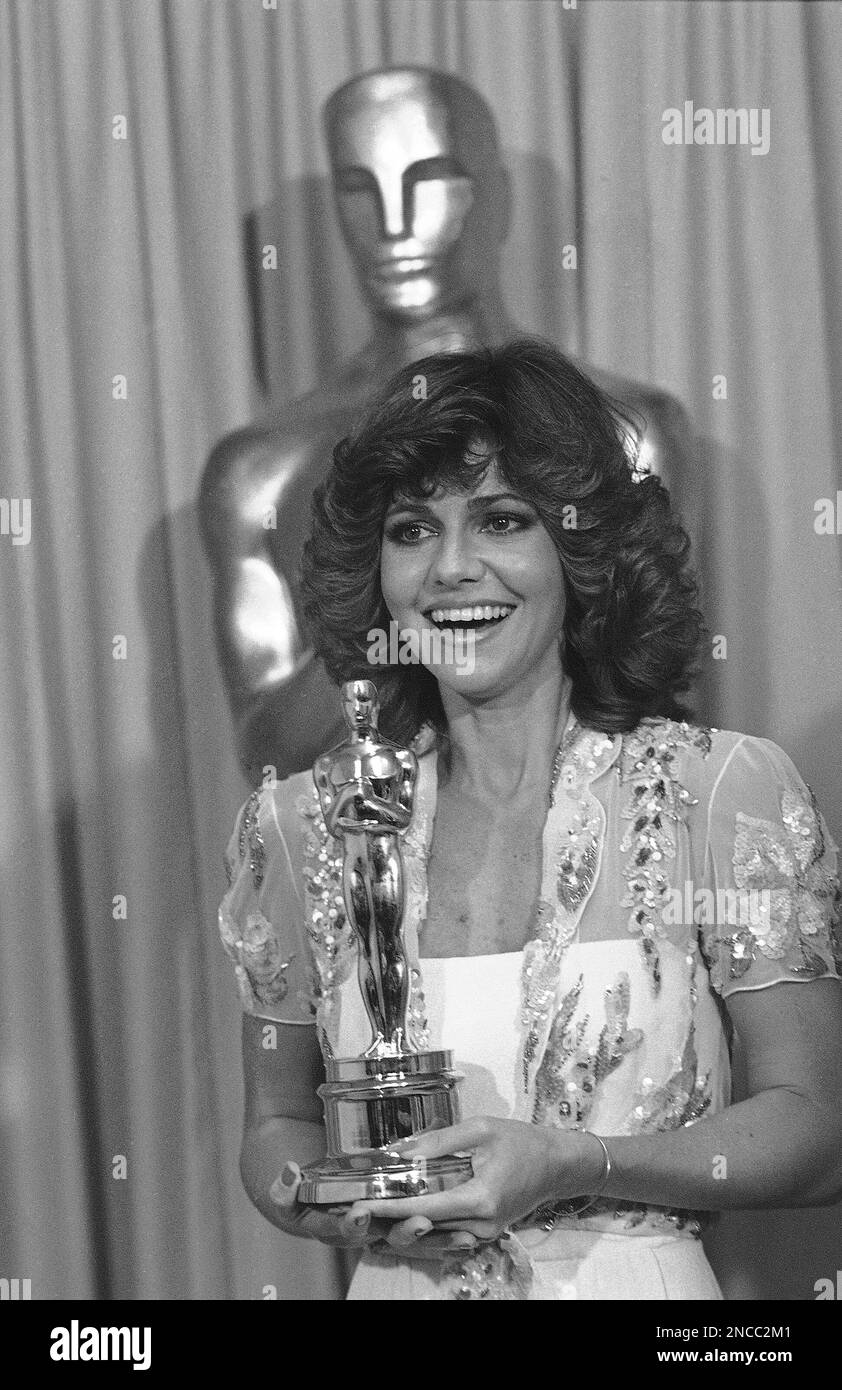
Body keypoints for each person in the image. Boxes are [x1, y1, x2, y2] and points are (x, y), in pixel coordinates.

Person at [218, 339, 842, 1301]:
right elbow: (275, 1127)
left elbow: (818, 1130)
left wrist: (575, 1162)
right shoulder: (308, 825)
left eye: (502, 521)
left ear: (581, 550)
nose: (451, 570)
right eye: (412, 530)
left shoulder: (722, 793)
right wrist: (346, 1201)